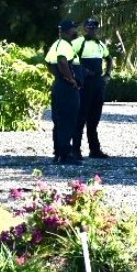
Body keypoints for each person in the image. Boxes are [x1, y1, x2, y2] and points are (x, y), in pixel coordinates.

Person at [71, 17, 113, 159]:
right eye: (89, 27)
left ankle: (94, 150)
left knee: (94, 118)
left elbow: (109, 58)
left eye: (94, 27)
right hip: (84, 83)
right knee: (80, 117)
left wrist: (107, 74)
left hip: (98, 83)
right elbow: (67, 59)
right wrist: (80, 71)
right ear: (84, 28)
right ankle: (75, 150)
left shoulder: (100, 44)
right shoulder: (78, 42)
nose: (92, 29)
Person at [45, 20, 82, 165]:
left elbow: (49, 63)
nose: (75, 31)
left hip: (59, 85)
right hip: (66, 88)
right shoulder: (64, 45)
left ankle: (59, 152)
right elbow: (61, 61)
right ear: (67, 31)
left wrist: (58, 76)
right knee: (68, 120)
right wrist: (70, 79)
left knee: (59, 120)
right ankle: (65, 154)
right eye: (73, 29)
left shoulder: (56, 44)